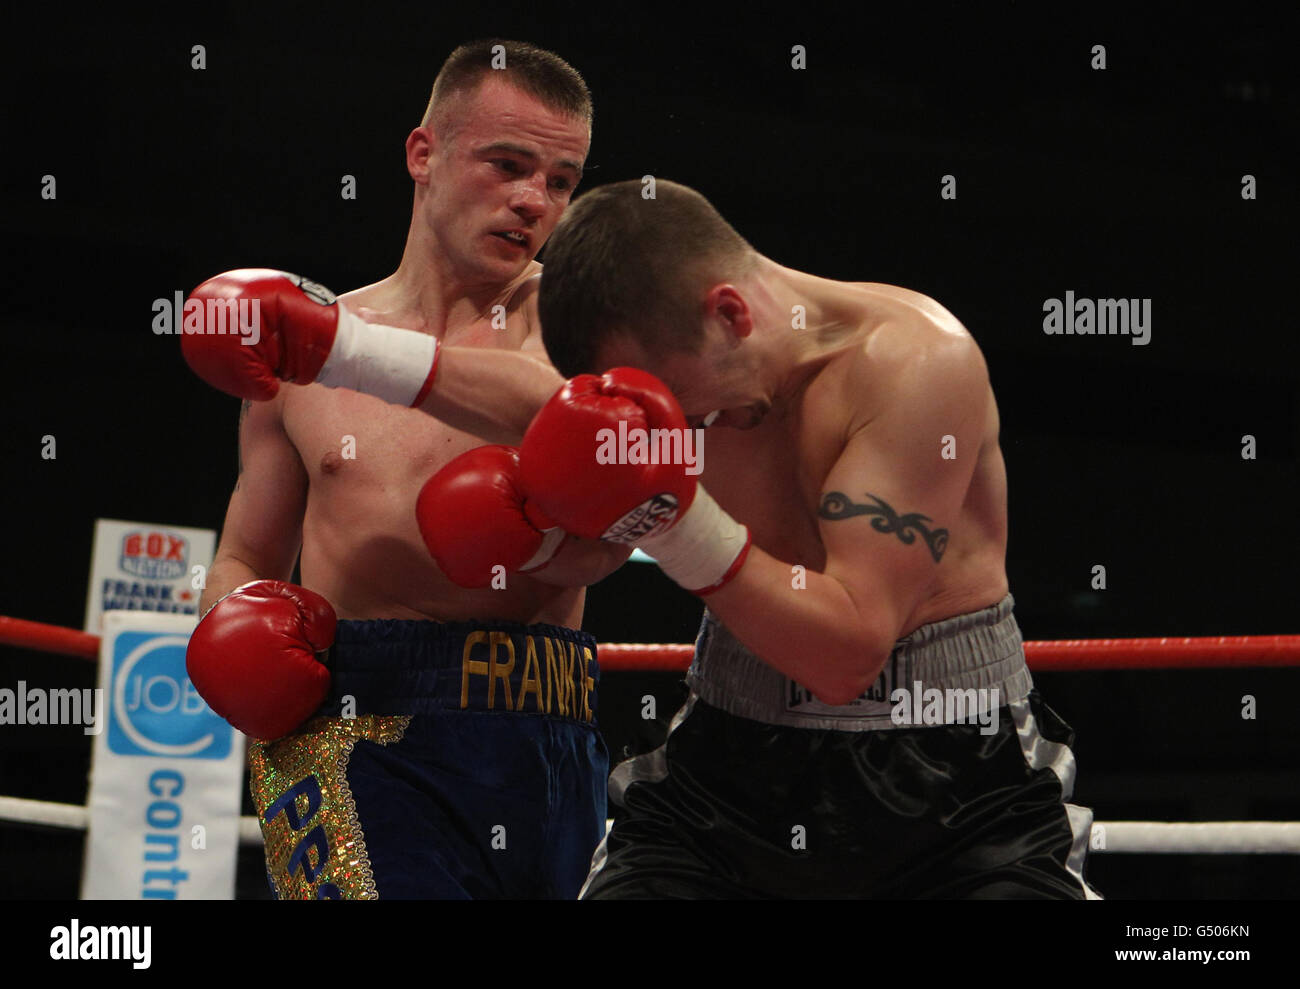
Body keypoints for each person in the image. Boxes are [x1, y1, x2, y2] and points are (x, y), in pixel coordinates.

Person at [511, 177, 1101, 898]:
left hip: (959, 779)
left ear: (728, 312)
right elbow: (523, 412)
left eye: (673, 398)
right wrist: (359, 353)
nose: (674, 427)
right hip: (729, 765)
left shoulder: (912, 363)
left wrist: (669, 520)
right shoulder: (682, 374)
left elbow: (847, 651)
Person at [182, 40, 627, 900]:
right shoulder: (302, 352)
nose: (533, 200)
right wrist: (234, 634)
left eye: (561, 180)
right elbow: (244, 556)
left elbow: (628, 523)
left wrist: (543, 549)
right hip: (358, 735)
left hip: (552, 725)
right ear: (423, 154)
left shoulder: (586, 344)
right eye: (508, 165)